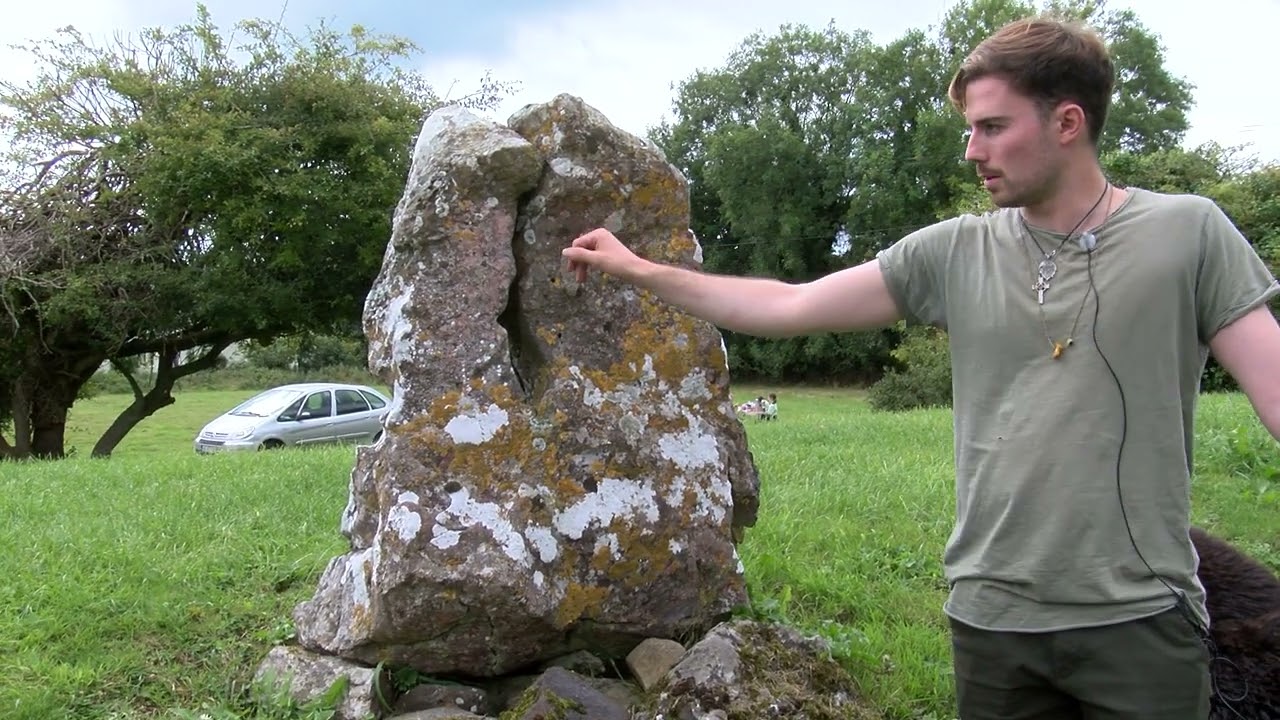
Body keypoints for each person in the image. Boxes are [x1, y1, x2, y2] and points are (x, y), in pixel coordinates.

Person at [562, 15, 1280, 720]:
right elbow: (787, 304)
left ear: (1067, 122)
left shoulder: (1188, 233)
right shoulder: (953, 252)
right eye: (970, 129)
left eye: (993, 127)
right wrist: (640, 270)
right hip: (992, 622)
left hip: (1143, 621)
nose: (972, 150)